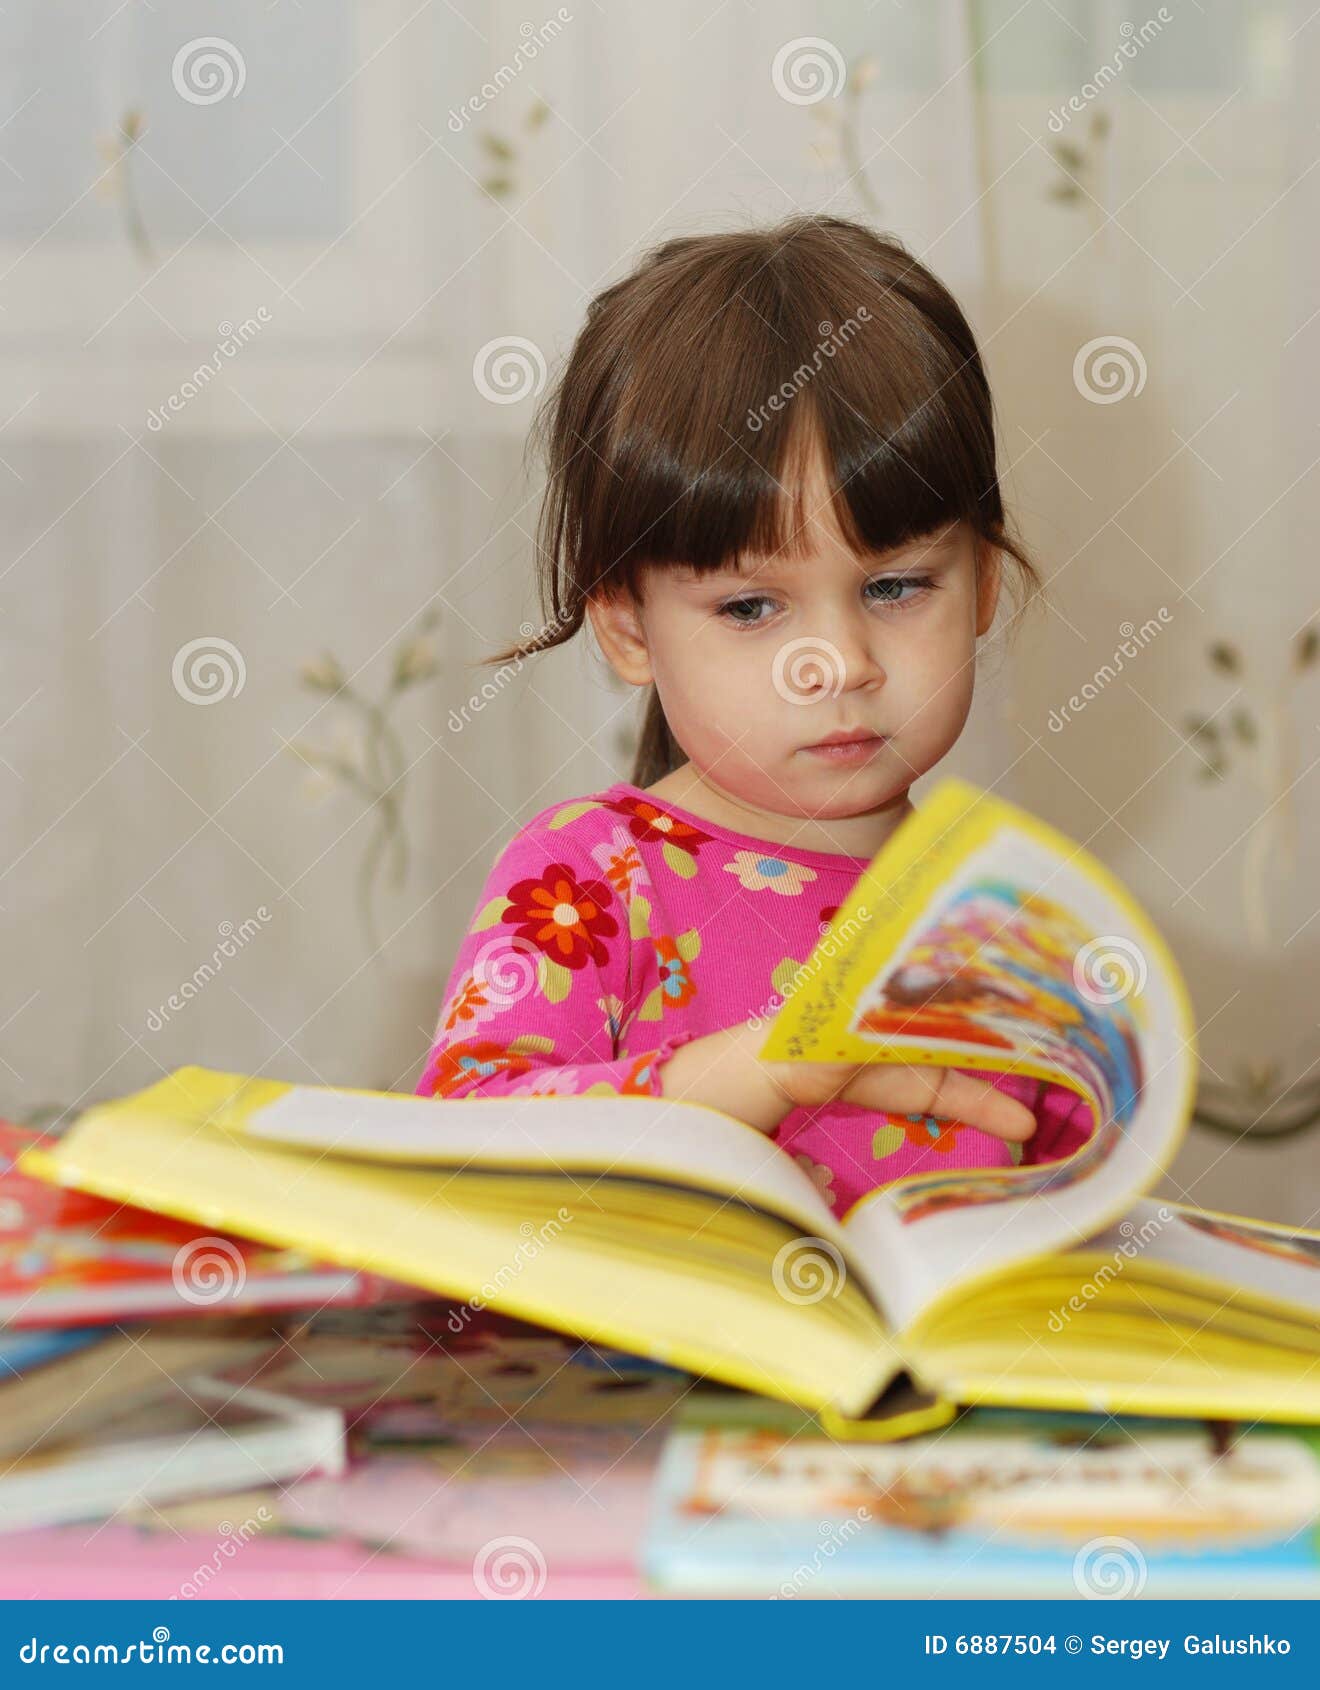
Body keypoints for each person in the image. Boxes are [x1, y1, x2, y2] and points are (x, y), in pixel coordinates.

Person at [416, 216, 1092, 1216]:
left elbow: (1072, 1225)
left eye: (898, 586)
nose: (842, 665)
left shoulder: (1004, 920)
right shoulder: (593, 876)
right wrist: (744, 1078)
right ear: (629, 627)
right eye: (749, 607)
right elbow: (454, 1151)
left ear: (984, 582)